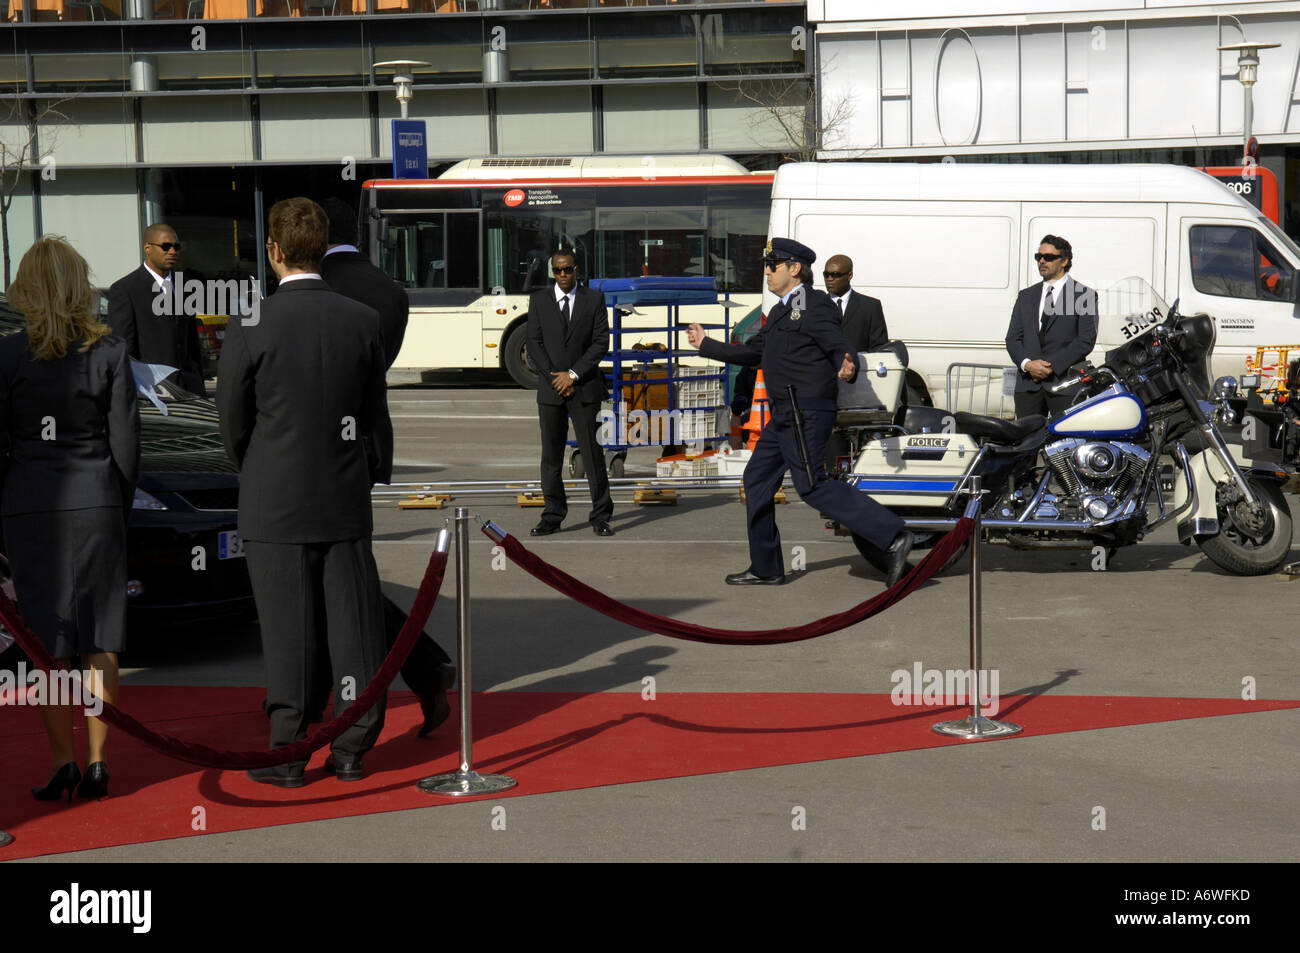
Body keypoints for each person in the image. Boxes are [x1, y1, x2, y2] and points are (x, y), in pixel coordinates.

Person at [218, 197, 393, 787]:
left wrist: (262, 468)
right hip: (342, 494)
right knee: (354, 630)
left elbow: (232, 421)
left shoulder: (250, 324)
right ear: (323, 251)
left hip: (274, 498)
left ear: (273, 251)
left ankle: (288, 752)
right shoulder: (360, 319)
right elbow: (374, 417)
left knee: (288, 633)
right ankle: (352, 746)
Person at [687, 238, 913, 587]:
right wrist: (707, 345)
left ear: (794, 269)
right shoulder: (779, 312)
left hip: (807, 409)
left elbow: (836, 341)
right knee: (757, 480)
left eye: (772, 265)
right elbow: (753, 354)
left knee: (812, 486)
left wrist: (846, 362)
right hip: (784, 414)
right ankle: (766, 567)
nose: (766, 272)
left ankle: (894, 535)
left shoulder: (816, 303)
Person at [1, 236, 140, 802]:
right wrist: (115, 503)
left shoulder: (7, 355)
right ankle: (100, 761)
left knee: (47, 641)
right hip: (98, 501)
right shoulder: (111, 353)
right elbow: (127, 448)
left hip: (31, 505)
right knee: (100, 637)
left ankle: (62, 762)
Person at [317, 195, 454, 737]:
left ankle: (318, 699)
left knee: (336, 580)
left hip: (309, 452)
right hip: (363, 444)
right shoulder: (387, 289)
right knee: (345, 575)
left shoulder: (305, 287)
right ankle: (423, 669)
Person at [526, 249, 615, 537]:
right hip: (551, 389)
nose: (563, 275)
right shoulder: (540, 300)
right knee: (551, 457)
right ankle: (552, 515)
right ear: (552, 271)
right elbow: (533, 342)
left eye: (568, 270)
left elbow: (600, 342)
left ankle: (600, 516)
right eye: (558, 270)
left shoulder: (594, 299)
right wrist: (556, 377)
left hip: (584, 388)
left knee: (592, 454)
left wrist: (573, 375)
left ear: (576, 270)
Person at [107, 223, 206, 395]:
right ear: (148, 248)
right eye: (166, 246)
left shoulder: (186, 286)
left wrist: (197, 381)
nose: (172, 252)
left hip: (190, 390)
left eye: (176, 247)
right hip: (153, 394)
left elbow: (192, 344)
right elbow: (124, 353)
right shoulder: (126, 290)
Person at [1005, 235, 1097, 418]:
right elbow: (1013, 338)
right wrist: (1027, 364)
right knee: (1026, 442)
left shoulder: (1083, 295)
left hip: (1065, 385)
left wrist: (1049, 366)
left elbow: (1085, 340)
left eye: (1048, 257)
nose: (1041, 261)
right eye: (1038, 257)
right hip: (1028, 386)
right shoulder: (1026, 296)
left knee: (1066, 442)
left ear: (1064, 261)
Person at [823, 252, 889, 472]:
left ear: (850, 275)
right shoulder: (817, 306)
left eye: (835, 274)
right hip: (826, 386)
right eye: (826, 274)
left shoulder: (869, 307)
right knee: (832, 450)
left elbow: (879, 348)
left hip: (858, 387)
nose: (829, 279)